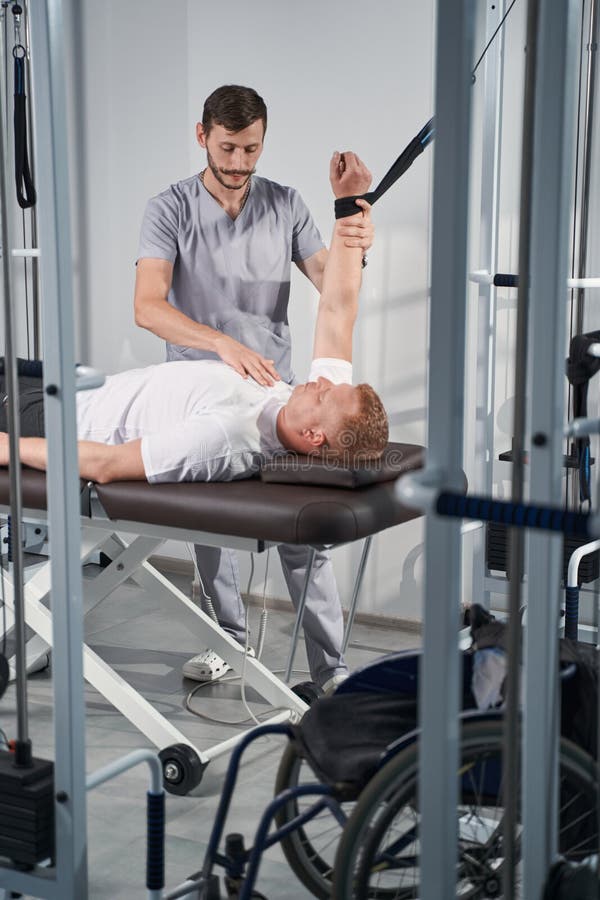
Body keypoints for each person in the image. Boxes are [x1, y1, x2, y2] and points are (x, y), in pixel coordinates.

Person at [0, 201, 388, 691]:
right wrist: (350, 208)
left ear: (315, 438)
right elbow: (338, 308)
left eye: (327, 392)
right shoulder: (300, 405)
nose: (320, 381)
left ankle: (322, 670)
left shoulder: (227, 437)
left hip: (52, 417)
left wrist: (7, 449)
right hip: (85, 384)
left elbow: (106, 463)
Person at [131, 84, 374, 692]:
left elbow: (334, 287)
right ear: (202, 135)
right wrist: (220, 342)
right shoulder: (170, 209)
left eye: (252, 149)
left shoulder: (286, 204)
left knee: (305, 538)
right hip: (200, 393)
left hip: (277, 395)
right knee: (215, 538)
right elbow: (147, 307)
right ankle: (228, 643)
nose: (239, 164)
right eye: (228, 148)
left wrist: (355, 230)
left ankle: (332, 670)